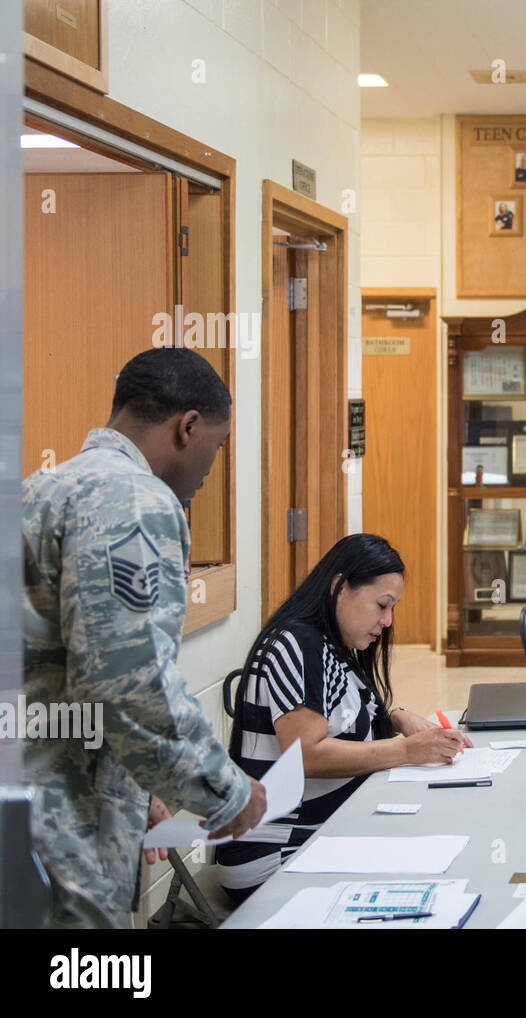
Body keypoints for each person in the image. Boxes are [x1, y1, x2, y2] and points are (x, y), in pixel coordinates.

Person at [22, 348, 266, 928]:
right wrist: (225, 790)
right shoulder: (132, 499)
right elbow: (127, 680)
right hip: (63, 819)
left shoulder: (41, 489)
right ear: (187, 426)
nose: (213, 464)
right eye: (218, 443)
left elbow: (59, 671)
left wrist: (142, 785)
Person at [216, 534, 470, 902]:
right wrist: (406, 751)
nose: (387, 620)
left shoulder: (333, 644)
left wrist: (397, 718)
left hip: (323, 832)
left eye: (392, 608)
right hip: (277, 853)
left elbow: (346, 715)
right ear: (340, 586)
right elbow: (305, 755)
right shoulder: (297, 643)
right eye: (382, 605)